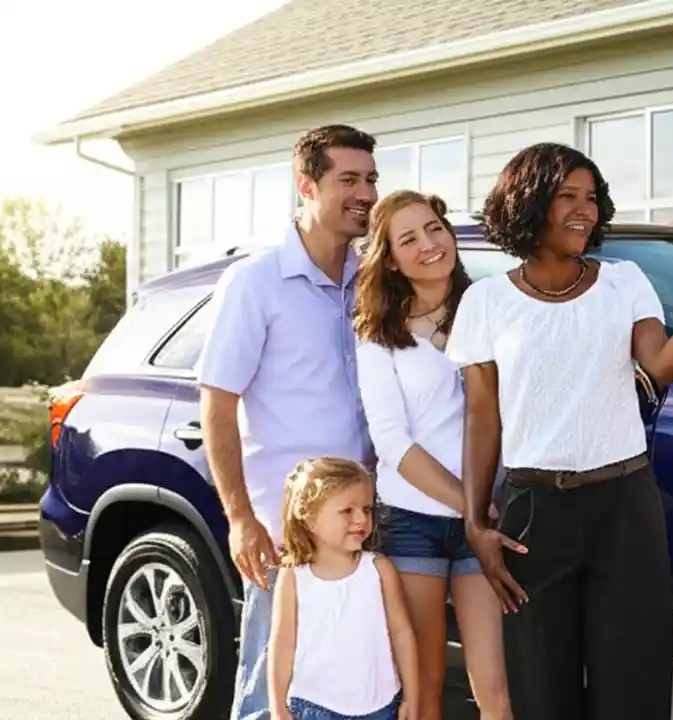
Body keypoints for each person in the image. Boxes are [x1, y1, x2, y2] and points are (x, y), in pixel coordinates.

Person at [445, 142, 673, 720]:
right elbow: (484, 421)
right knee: (541, 693)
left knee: (632, 690)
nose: (584, 210)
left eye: (591, 198)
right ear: (528, 203)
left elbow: (657, 366)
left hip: (624, 509)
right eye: (566, 197)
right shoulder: (485, 302)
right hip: (533, 513)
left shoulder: (624, 282)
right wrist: (477, 523)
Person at [195, 124, 379, 719]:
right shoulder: (255, 283)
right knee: (272, 682)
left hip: (364, 521)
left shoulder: (372, 283)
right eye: (348, 179)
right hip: (288, 528)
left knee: (353, 681)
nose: (366, 193)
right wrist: (242, 519)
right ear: (306, 185)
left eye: (371, 179)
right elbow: (217, 403)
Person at [353, 189, 513, 720]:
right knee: (420, 692)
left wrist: (481, 509)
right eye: (408, 239)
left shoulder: (489, 308)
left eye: (434, 229)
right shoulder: (378, 335)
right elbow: (393, 443)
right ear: (390, 259)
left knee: (495, 687)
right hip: (413, 521)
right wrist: (470, 503)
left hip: (486, 523)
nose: (428, 244)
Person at [267, 456, 419, 720]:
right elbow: (282, 645)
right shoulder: (293, 577)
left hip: (380, 707)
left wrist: (412, 697)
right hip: (315, 707)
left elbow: (402, 634)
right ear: (309, 516)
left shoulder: (379, 569)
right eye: (347, 510)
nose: (361, 518)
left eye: (367, 509)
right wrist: (278, 707)